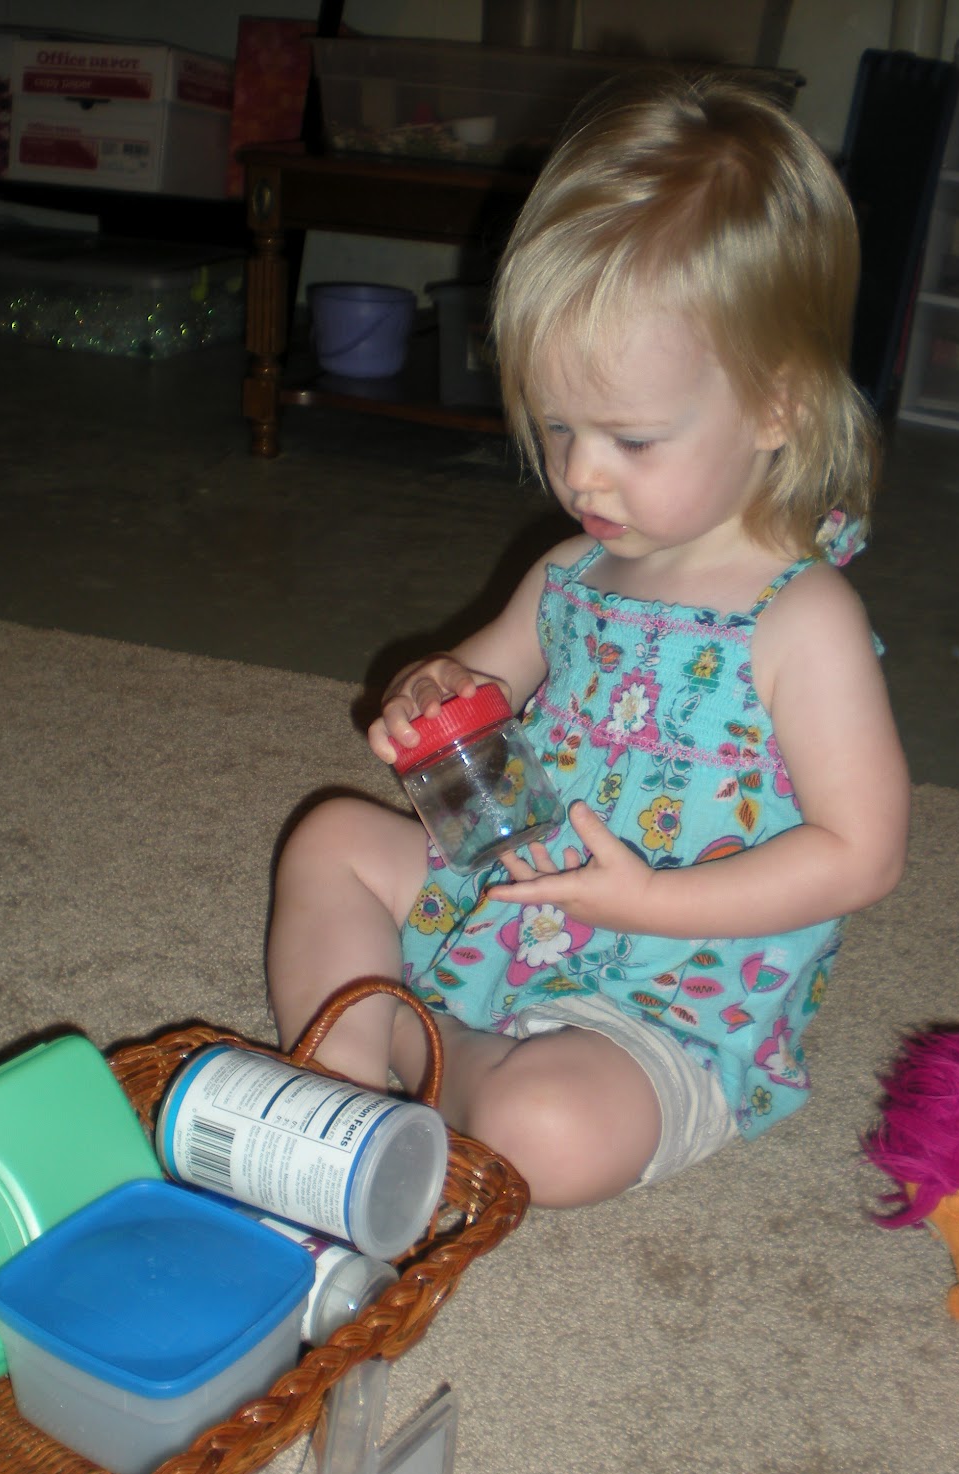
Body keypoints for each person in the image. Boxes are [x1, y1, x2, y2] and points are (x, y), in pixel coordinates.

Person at [266, 69, 910, 1208]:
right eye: (559, 424)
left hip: (675, 995)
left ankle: (435, 1067)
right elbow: (480, 679)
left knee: (546, 1131)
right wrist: (430, 692)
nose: (578, 472)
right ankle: (341, 1091)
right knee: (328, 839)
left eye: (632, 436)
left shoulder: (803, 616)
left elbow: (863, 853)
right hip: (507, 909)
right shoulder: (572, 570)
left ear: (777, 408)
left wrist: (645, 901)